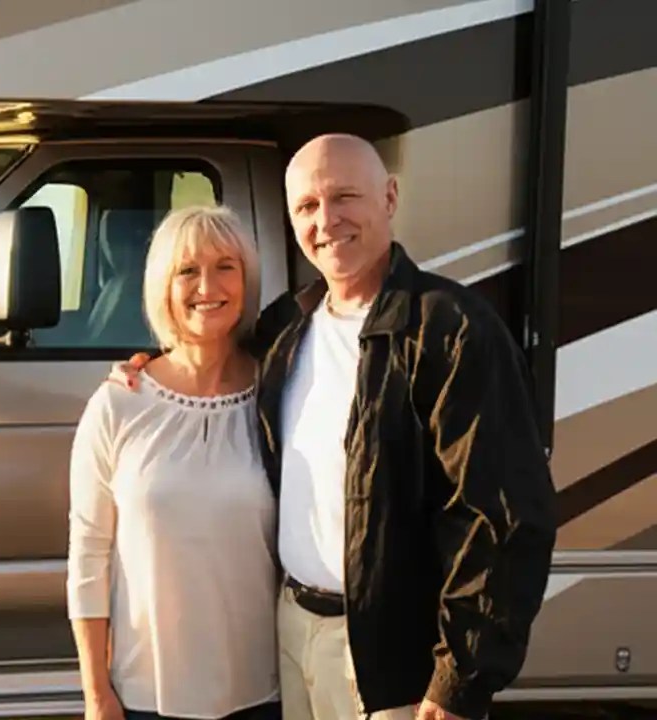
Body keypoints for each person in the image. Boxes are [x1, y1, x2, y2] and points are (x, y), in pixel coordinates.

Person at [111, 134, 557, 720]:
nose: (327, 220)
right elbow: (208, 347)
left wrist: (458, 681)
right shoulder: (284, 329)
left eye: (345, 196)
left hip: (393, 656)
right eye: (307, 206)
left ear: (390, 197)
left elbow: (501, 518)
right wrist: (153, 360)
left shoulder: (451, 330)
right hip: (292, 636)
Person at [67, 205, 282, 720]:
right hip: (147, 697)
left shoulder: (279, 392)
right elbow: (87, 556)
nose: (207, 285)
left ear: (247, 281)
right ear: (162, 285)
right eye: (187, 270)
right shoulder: (118, 402)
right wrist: (97, 695)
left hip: (263, 694)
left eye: (225, 266)